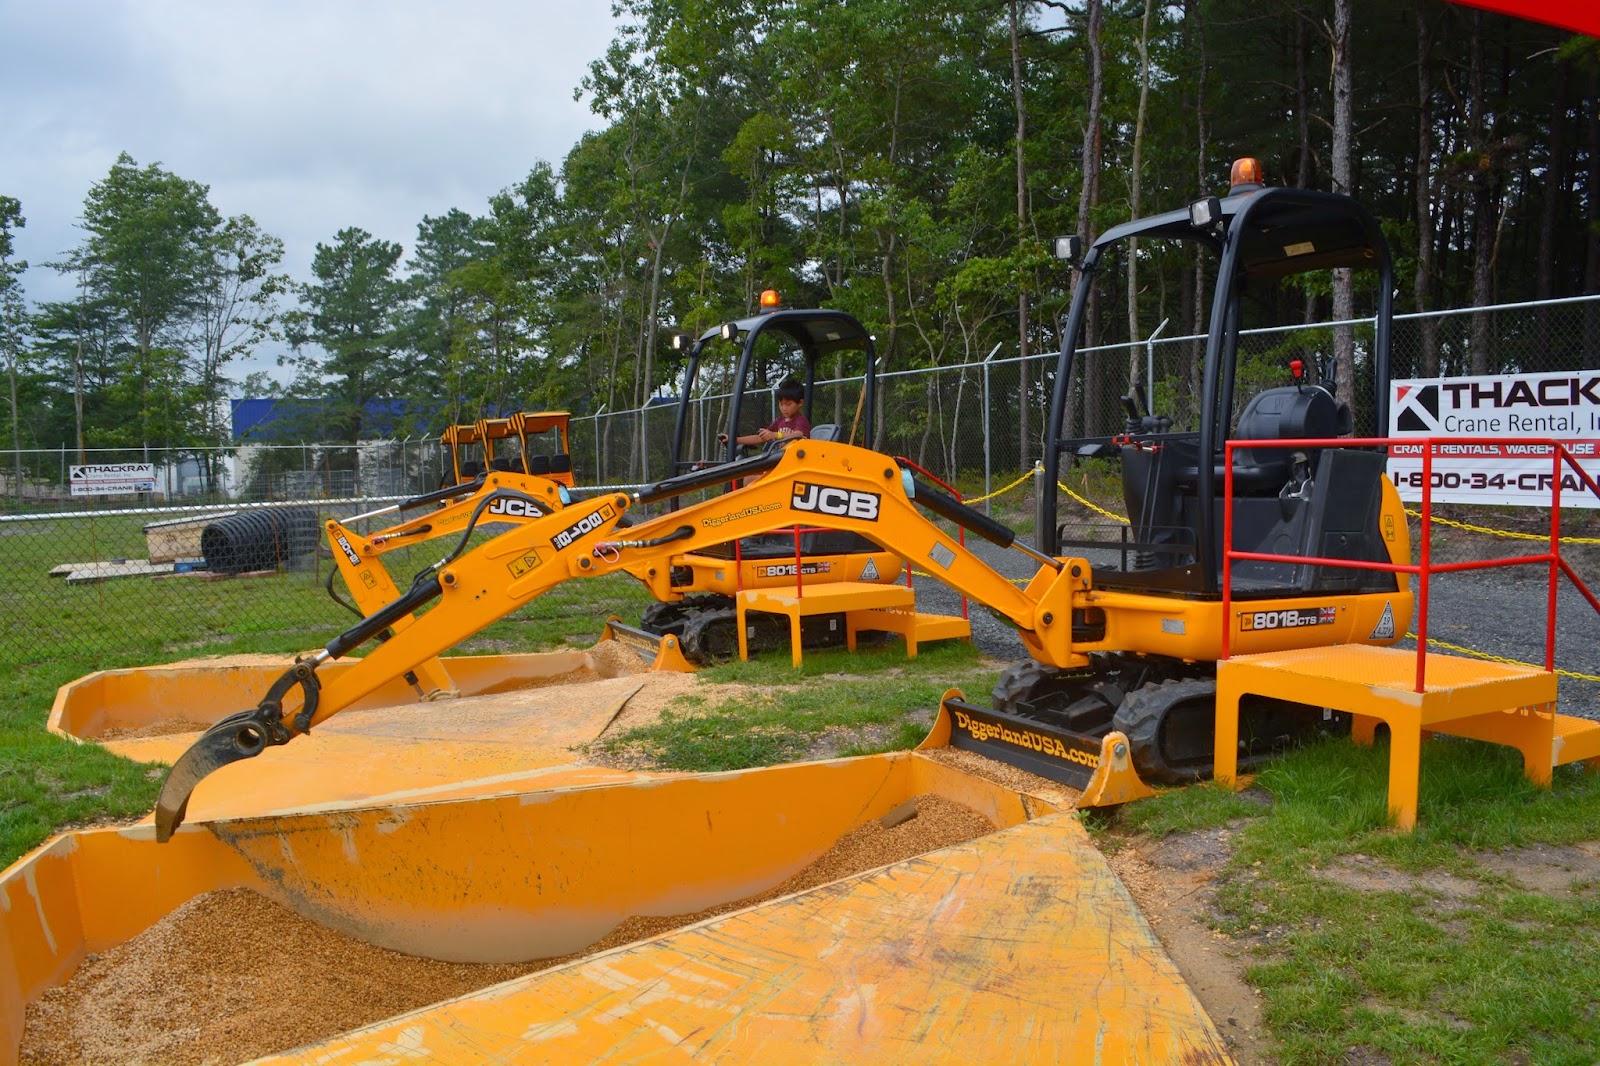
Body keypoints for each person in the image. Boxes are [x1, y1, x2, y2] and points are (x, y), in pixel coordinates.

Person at [720, 379, 810, 449]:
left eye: (788, 404)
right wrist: (734, 440)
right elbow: (760, 438)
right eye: (781, 404)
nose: (784, 408)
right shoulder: (779, 421)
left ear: (800, 403)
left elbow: (798, 435)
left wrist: (775, 435)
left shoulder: (801, 420)